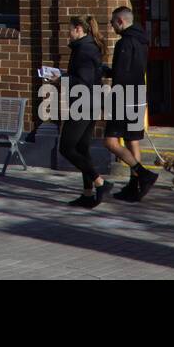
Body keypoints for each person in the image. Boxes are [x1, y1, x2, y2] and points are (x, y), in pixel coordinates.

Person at [104, 6, 159, 202]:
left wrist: (105, 72)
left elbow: (121, 73)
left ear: (120, 21)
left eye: (112, 23)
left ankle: (143, 174)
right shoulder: (143, 40)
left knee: (110, 141)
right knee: (132, 140)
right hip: (138, 94)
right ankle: (135, 186)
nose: (111, 27)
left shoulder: (125, 43)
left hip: (124, 97)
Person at [58, 15, 111, 207]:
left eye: (70, 29)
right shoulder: (86, 47)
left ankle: (100, 182)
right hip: (90, 102)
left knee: (66, 147)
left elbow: (84, 81)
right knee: (81, 148)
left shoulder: (85, 49)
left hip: (84, 103)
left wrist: (60, 79)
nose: (68, 33)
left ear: (79, 29)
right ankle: (88, 194)